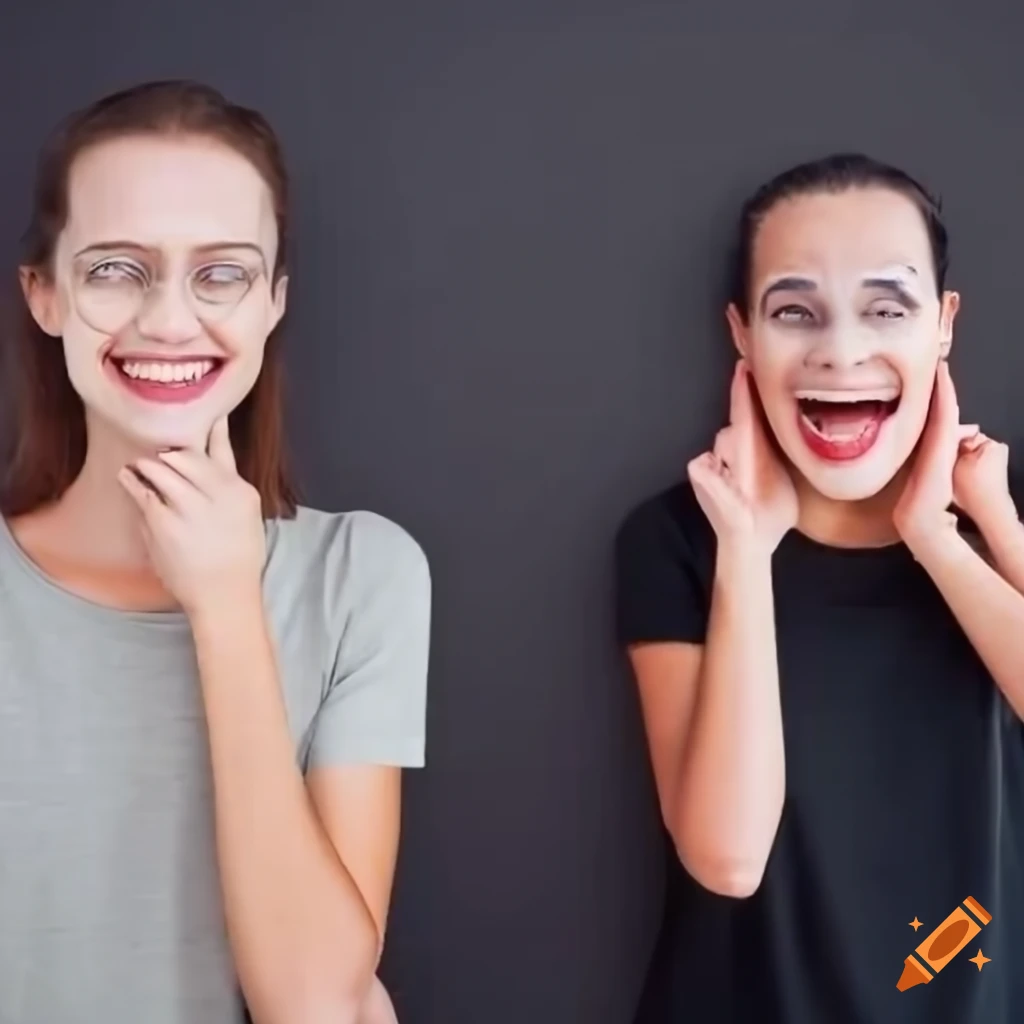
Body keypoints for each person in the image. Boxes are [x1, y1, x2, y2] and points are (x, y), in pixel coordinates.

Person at [0, 80, 430, 1024]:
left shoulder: (364, 577)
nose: (168, 319)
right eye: (117, 268)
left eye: (221, 273)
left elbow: (315, 1003)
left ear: (274, 303)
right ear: (44, 294)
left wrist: (227, 606)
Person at [615, 153, 1024, 1024]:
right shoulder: (681, 540)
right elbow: (727, 858)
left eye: (888, 308)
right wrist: (748, 550)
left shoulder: (1005, 519)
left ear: (943, 325)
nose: (842, 352)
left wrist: (940, 543)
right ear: (741, 333)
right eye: (794, 312)